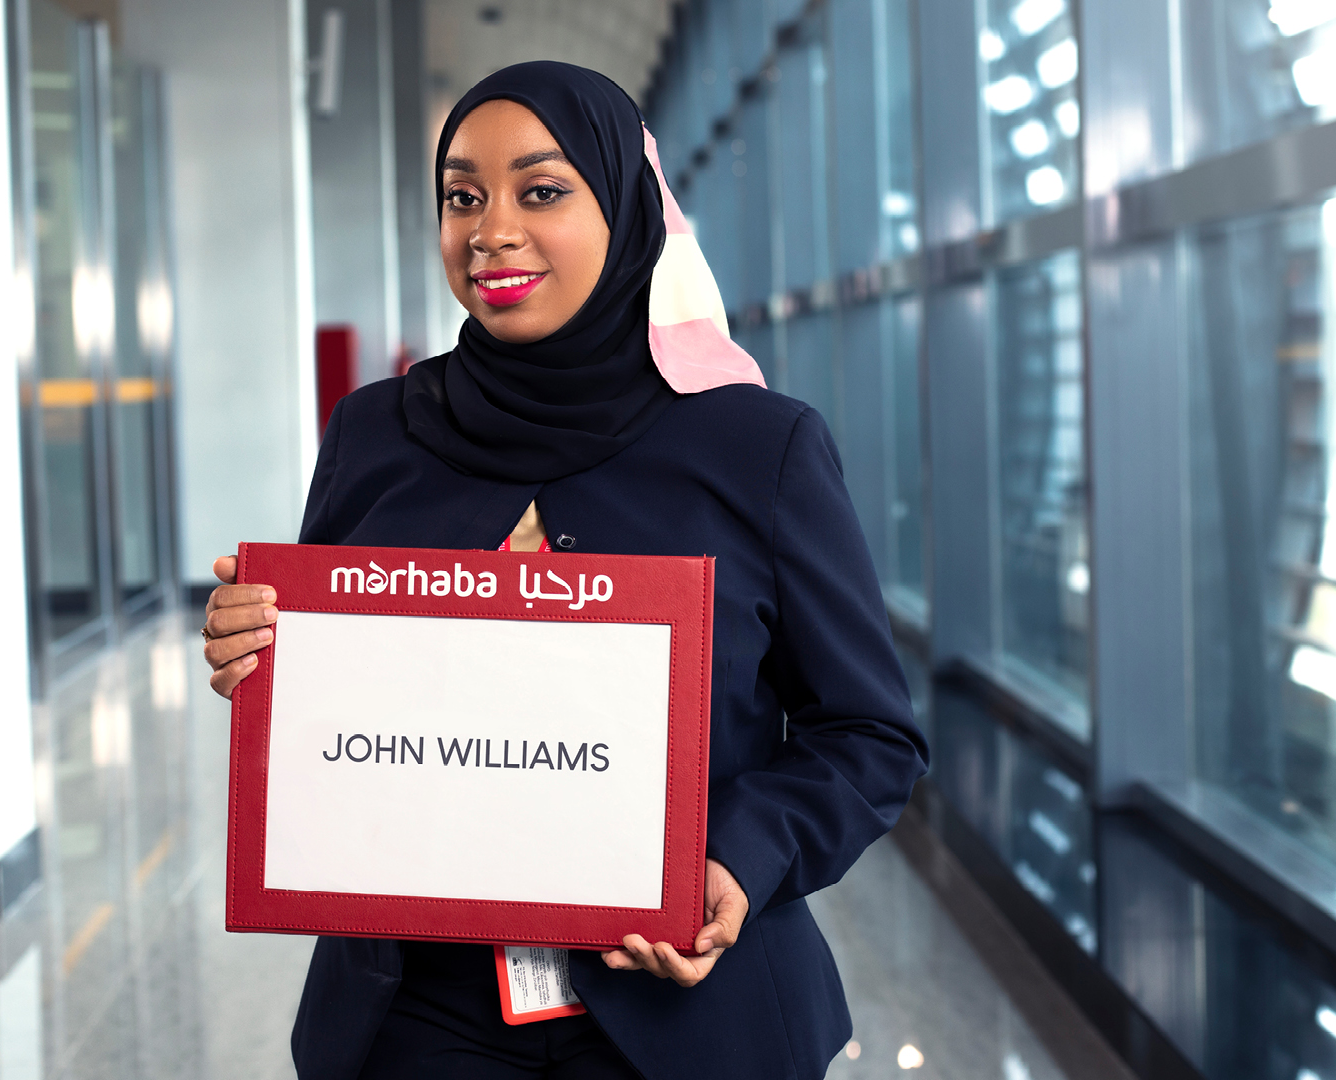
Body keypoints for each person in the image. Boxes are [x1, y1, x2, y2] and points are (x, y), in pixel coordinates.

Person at [202, 60, 927, 1080]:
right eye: (462, 196)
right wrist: (260, 654)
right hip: (418, 1019)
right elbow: (334, 697)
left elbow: (870, 734)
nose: (490, 231)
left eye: (541, 191)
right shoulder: (376, 434)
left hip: (689, 1020)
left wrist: (739, 857)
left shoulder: (756, 448)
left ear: (626, 210)